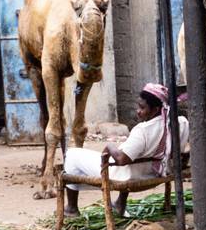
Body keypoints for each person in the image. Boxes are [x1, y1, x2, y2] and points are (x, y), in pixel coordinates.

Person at [62, 83, 188, 217]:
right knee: (133, 156)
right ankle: (120, 203)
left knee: (72, 155)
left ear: (156, 109)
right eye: (138, 106)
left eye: (142, 107)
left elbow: (122, 160)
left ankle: (71, 208)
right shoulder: (182, 123)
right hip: (156, 172)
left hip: (124, 176)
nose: (138, 111)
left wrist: (110, 146)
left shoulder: (143, 130)